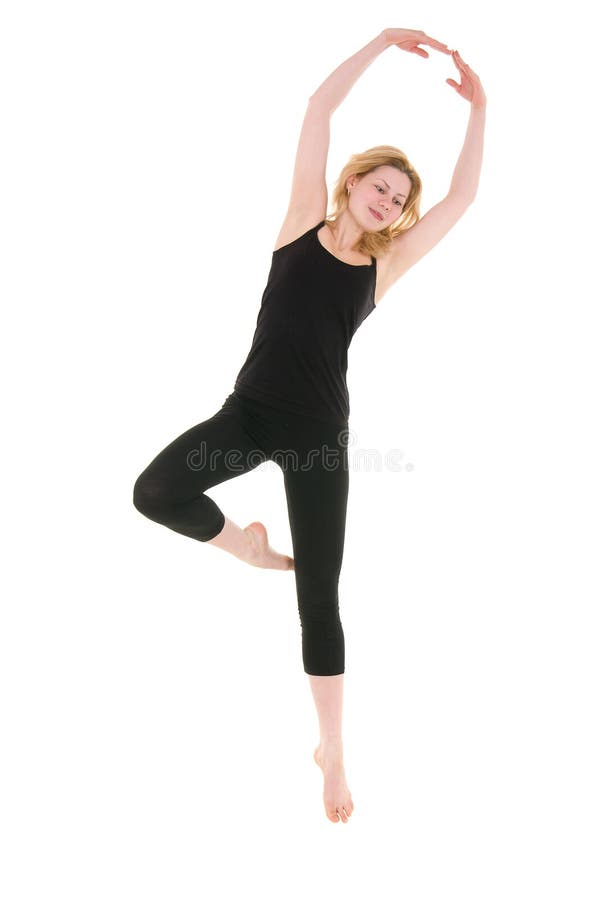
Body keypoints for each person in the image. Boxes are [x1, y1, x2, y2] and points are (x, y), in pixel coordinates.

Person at [133, 28, 486, 824]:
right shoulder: (298, 221)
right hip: (249, 415)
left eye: (399, 201)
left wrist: (482, 106)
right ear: (354, 181)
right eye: (381, 187)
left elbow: (462, 200)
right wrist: (382, 42)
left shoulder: (382, 267)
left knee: (321, 599)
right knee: (154, 491)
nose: (389, 202)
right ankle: (246, 547)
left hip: (318, 438)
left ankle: (333, 751)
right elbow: (318, 107)